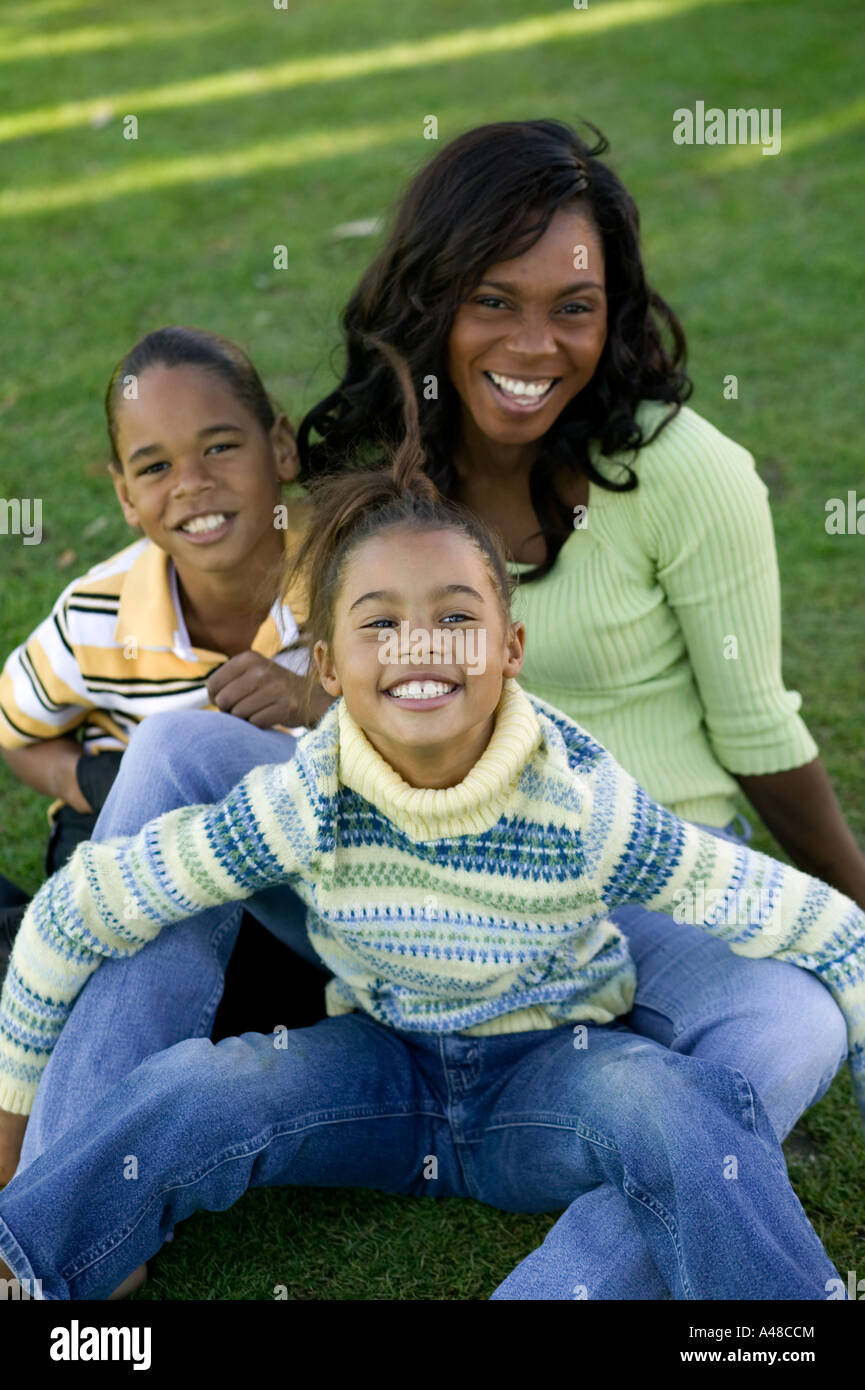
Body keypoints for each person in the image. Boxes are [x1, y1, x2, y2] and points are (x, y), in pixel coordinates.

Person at [0, 427, 861, 1301]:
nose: (422, 647)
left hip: (548, 1078)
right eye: (380, 623)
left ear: (510, 650)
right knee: (200, 1083)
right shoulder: (300, 799)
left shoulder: (582, 804)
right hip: (379, 1075)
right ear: (328, 668)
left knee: (679, 1107)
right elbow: (80, 912)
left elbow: (817, 923)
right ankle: (31, 1263)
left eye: (456, 617)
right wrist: (12, 1122)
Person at [0, 326, 333, 1179]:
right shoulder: (97, 615)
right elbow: (15, 727)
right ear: (123, 495)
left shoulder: (353, 580)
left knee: (242, 1006)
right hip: (114, 845)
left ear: (282, 445)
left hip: (286, 891)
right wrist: (88, 779)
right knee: (100, 955)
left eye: (220, 446)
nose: (192, 485)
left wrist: (317, 698)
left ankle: (48, 1172)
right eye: (154, 468)